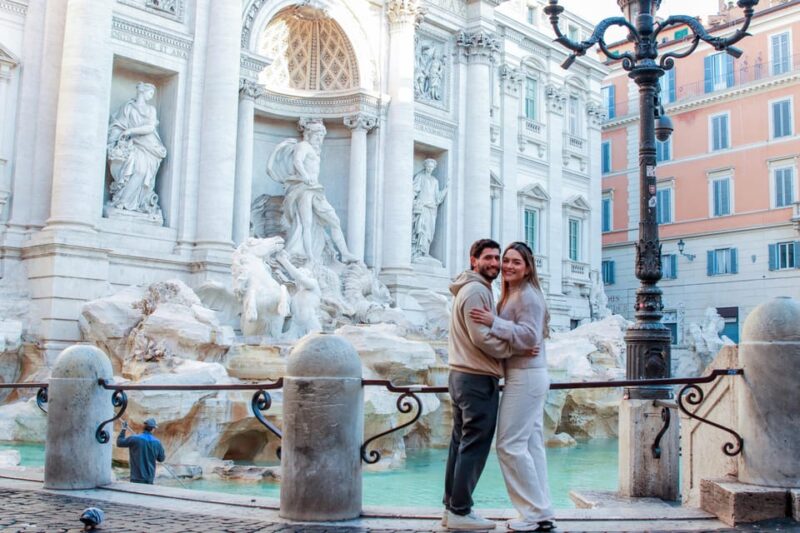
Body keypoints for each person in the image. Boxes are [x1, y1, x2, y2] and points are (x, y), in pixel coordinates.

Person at [443, 239, 534, 531]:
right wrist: (515, 350)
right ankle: (460, 511)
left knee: (460, 443)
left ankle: (452, 508)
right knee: (474, 445)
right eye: (489, 258)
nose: (495, 263)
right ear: (474, 260)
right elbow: (481, 337)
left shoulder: (472, 288)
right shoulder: (477, 290)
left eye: (497, 258)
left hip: (462, 375)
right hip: (476, 377)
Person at [470, 242, 555, 532]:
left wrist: (494, 322)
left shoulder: (527, 296)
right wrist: (511, 338)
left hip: (526, 376)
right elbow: (526, 339)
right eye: (506, 260)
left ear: (528, 268)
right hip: (527, 374)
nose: (507, 266)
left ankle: (532, 513)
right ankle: (541, 510)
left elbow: (530, 337)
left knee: (509, 445)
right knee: (530, 445)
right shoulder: (514, 294)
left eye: (516, 262)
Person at [266, 119, 358, 264]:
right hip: (304, 189)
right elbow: (297, 161)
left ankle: (345, 253)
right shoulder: (303, 146)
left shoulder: (314, 150)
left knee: (334, 220)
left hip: (315, 189)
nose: (320, 139)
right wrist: (305, 176)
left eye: (321, 136)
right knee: (306, 223)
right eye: (317, 135)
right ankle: (310, 256)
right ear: (309, 134)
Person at [106, 82, 167, 216]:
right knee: (133, 170)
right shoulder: (127, 108)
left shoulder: (151, 109)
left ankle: (134, 202)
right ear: (143, 92)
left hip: (148, 144)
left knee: (142, 171)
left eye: (153, 94)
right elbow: (118, 124)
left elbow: (150, 127)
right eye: (150, 93)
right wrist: (117, 138)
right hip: (131, 144)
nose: (151, 96)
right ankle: (122, 202)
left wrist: (130, 131)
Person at [412, 158, 448, 260]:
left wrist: (446, 189)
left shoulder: (435, 181)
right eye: (428, 166)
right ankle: (418, 251)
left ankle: (425, 251)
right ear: (425, 166)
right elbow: (414, 190)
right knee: (421, 229)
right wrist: (414, 202)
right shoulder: (420, 177)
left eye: (431, 167)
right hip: (422, 206)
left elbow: (437, 198)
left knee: (429, 231)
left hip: (431, 208)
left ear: (434, 168)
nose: (430, 168)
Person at [117, 418, 166, 484]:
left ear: (144, 427)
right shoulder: (157, 442)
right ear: (153, 429)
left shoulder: (134, 438)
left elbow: (119, 442)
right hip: (149, 479)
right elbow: (161, 459)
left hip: (136, 478)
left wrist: (123, 429)